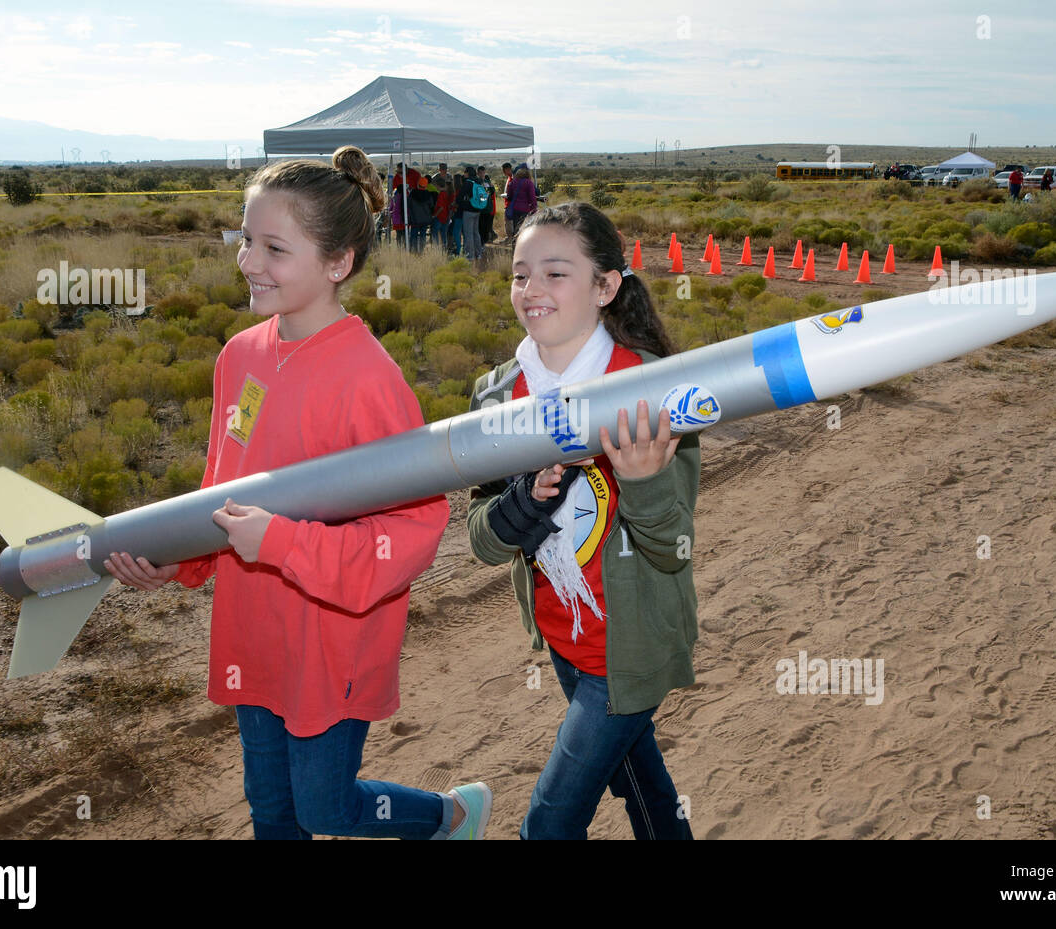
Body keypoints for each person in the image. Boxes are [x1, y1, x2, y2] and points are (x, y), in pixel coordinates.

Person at [103, 147, 490, 841]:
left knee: (324, 808)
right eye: (247, 240)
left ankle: (449, 816)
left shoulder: (369, 379)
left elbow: (414, 529)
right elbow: (218, 495)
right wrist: (179, 560)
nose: (249, 262)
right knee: (273, 812)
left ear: (338, 262)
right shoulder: (239, 356)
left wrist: (283, 541)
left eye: (274, 248)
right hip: (254, 630)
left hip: (330, 640)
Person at [466, 201, 699, 840]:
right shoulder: (498, 396)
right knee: (642, 785)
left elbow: (673, 546)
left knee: (548, 821)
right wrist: (521, 505)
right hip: (563, 636)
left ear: (605, 287)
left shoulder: (652, 389)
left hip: (630, 649)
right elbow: (482, 540)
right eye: (520, 273)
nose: (531, 290)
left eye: (555, 273)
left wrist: (644, 482)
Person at [407, 175, 435, 253]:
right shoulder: (428, 194)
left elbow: (408, 205)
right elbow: (432, 206)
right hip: (425, 219)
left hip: (414, 219)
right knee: (423, 235)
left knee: (413, 235)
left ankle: (413, 251)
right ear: (426, 186)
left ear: (418, 184)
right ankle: (421, 251)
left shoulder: (412, 194)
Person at [507, 163, 538, 233]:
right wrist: (534, 209)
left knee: (516, 228)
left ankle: (515, 243)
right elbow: (532, 198)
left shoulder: (513, 182)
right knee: (524, 229)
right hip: (525, 209)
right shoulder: (529, 183)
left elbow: (509, 196)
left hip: (514, 209)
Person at [478, 166, 497, 245]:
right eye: (481, 173)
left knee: (487, 228)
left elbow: (492, 191)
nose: (482, 174)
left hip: (488, 208)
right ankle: (481, 244)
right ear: (478, 173)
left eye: (483, 172)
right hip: (480, 209)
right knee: (481, 228)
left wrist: (490, 188)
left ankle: (484, 244)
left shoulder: (487, 182)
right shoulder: (477, 182)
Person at [501, 163, 515, 240]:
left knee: (509, 221)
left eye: (504, 170)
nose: (503, 172)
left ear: (507, 169)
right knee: (508, 222)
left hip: (511, 204)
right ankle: (510, 237)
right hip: (508, 203)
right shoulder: (509, 178)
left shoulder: (513, 178)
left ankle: (510, 238)